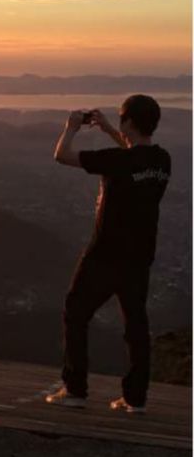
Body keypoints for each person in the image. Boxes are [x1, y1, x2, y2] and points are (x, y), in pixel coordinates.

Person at [45, 95, 171, 414]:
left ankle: (75, 389)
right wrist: (109, 131)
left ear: (128, 122)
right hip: (140, 256)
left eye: (121, 118)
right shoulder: (161, 161)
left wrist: (71, 127)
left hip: (105, 253)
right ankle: (135, 398)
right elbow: (135, 157)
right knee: (136, 324)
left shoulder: (118, 161)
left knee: (76, 311)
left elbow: (61, 155)